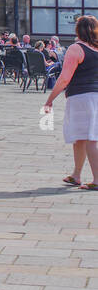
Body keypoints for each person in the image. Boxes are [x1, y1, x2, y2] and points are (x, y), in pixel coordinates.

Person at [44, 15, 98, 191]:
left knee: (89, 138)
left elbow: (65, 78)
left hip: (82, 97)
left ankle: (97, 179)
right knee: (80, 137)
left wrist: (50, 99)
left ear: (78, 30)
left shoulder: (76, 49)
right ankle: (76, 175)